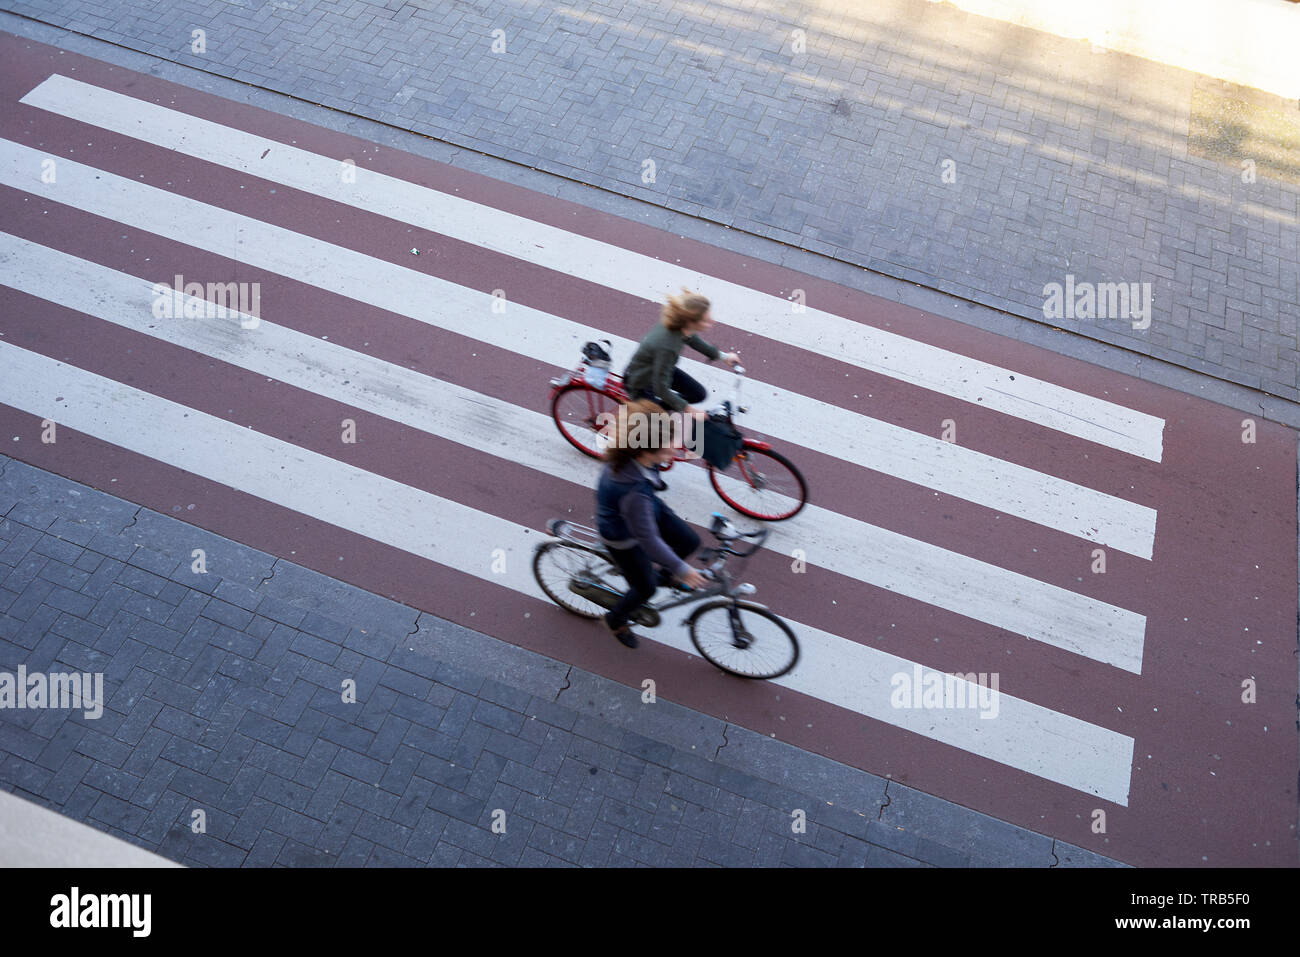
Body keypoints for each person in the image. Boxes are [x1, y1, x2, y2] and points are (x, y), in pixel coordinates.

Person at [595, 400, 707, 648]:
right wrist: (683, 569)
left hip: (647, 508)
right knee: (645, 589)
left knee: (690, 541)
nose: (674, 449)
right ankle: (615, 619)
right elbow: (648, 540)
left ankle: (664, 575)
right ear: (646, 452)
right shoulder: (632, 491)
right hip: (625, 536)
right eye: (667, 447)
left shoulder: (638, 455)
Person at [621, 289, 741, 419]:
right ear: (690, 322)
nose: (713, 321)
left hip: (658, 369)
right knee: (660, 430)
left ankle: (658, 409)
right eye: (706, 320)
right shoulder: (668, 347)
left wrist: (723, 357)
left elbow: (693, 340)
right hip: (640, 383)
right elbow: (661, 388)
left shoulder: (679, 327)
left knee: (698, 394)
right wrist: (690, 410)